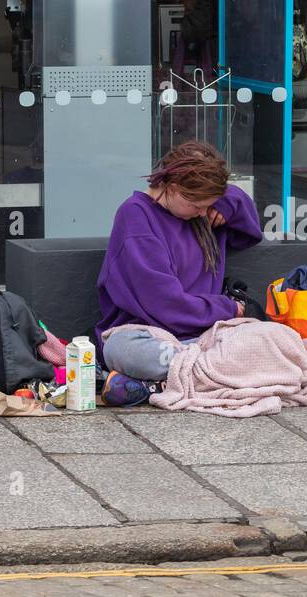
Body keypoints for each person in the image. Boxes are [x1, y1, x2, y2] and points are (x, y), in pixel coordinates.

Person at [93, 140, 263, 406]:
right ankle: (216, 373)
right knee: (121, 350)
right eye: (197, 205)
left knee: (278, 339)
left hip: (203, 336)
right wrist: (228, 308)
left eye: (209, 205)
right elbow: (164, 303)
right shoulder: (136, 216)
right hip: (149, 334)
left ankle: (160, 384)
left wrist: (229, 201)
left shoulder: (201, 216)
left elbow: (250, 231)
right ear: (173, 188)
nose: (203, 213)